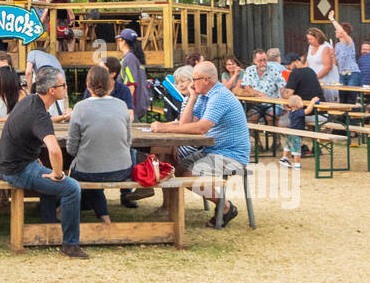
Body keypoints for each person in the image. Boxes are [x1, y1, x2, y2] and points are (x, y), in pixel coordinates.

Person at [0, 64, 87, 259]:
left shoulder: (30, 101)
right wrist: (58, 174)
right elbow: (54, 150)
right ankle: (70, 245)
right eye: (64, 85)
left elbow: (27, 128)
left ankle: (50, 222)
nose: (66, 88)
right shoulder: (39, 115)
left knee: (47, 173)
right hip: (17, 170)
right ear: (52, 91)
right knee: (71, 187)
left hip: (11, 163)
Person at [151, 60, 250, 226]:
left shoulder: (219, 97)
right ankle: (171, 208)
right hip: (214, 150)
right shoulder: (204, 96)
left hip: (231, 154)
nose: (192, 82)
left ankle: (225, 206)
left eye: (194, 79)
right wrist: (192, 98)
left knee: (190, 176)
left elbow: (201, 128)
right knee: (176, 166)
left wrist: (165, 129)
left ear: (206, 80)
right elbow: (185, 124)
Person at [67, 64, 135, 220]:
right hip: (122, 170)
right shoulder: (122, 105)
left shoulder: (79, 108)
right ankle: (104, 216)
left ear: (87, 85)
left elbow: (71, 148)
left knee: (84, 170)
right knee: (91, 168)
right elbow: (128, 141)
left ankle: (66, 211)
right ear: (110, 83)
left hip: (89, 170)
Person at [278, 50, 325, 167]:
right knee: (290, 126)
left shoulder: (295, 73)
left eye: (289, 63)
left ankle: (296, 152)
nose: (287, 66)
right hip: (321, 111)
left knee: (282, 123)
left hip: (307, 114)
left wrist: (282, 87)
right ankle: (292, 153)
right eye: (286, 64)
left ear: (297, 62)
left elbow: (287, 95)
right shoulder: (311, 71)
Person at [237, 48, 287, 123]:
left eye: (265, 60)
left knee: (270, 116)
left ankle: (273, 134)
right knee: (252, 117)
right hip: (256, 104)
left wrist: (285, 100)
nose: (263, 63)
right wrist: (258, 93)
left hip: (273, 103)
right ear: (254, 61)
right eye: (260, 61)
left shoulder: (273, 70)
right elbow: (247, 87)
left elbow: (282, 86)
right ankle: (252, 135)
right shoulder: (250, 70)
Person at [116, 29, 150, 118]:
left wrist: (126, 108)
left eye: (119, 40)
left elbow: (131, 85)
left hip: (132, 108)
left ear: (123, 42)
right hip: (140, 103)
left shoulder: (129, 59)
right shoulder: (136, 57)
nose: (118, 43)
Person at [306, 26, 339, 102]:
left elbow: (328, 67)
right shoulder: (310, 47)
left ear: (317, 38)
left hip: (325, 79)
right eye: (308, 39)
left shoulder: (325, 47)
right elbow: (308, 62)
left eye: (311, 39)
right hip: (313, 79)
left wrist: (314, 78)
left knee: (326, 100)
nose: (309, 41)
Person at [328, 10, 360, 87]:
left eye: (337, 30)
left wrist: (332, 19)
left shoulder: (349, 41)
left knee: (351, 95)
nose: (335, 31)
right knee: (342, 96)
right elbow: (336, 63)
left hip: (352, 73)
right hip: (341, 74)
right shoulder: (337, 45)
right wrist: (332, 55)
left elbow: (341, 31)